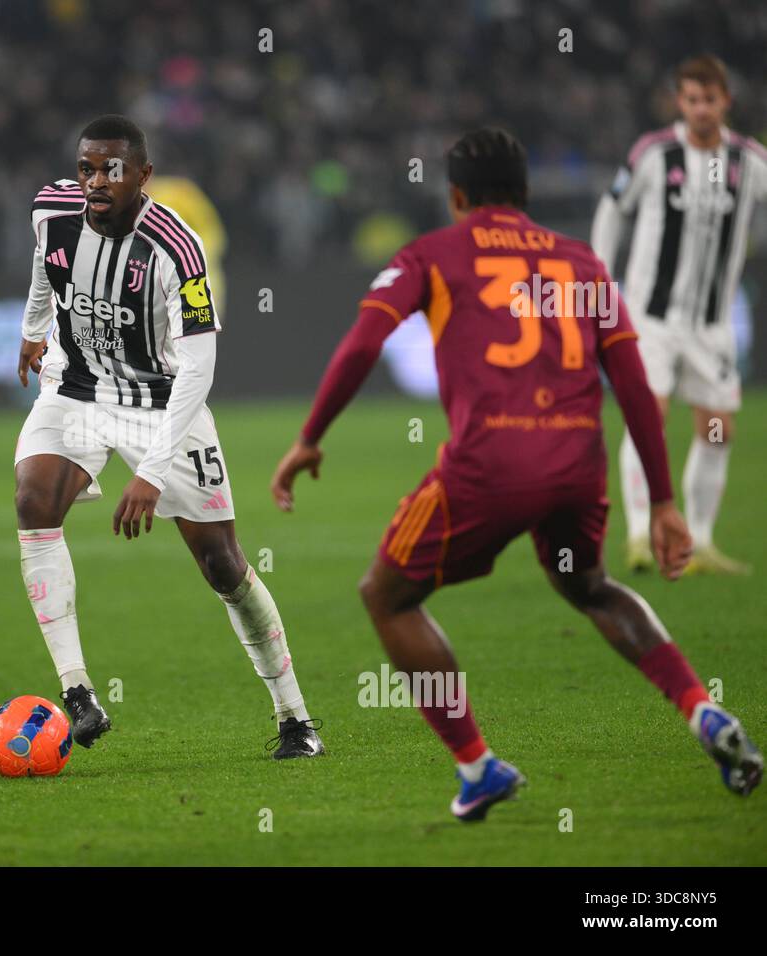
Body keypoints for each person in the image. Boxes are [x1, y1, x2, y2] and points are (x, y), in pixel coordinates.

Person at [272, 128, 762, 820]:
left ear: (456, 195)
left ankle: (477, 766)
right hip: (575, 463)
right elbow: (630, 380)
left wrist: (309, 438)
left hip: (489, 465)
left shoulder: (432, 254)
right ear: (527, 194)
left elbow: (364, 340)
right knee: (591, 586)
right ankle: (701, 708)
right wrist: (663, 502)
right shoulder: (583, 262)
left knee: (387, 596)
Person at [14, 114, 324, 758]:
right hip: (77, 388)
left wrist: (152, 472)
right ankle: (78, 693)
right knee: (32, 500)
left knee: (223, 566)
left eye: (112, 169)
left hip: (162, 403)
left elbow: (200, 369)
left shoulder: (177, 250)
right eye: (87, 168)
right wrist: (33, 327)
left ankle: (296, 719)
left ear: (143, 176)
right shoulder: (52, 212)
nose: (96, 181)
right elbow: (46, 268)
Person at [591, 54, 767, 574]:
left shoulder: (750, 163)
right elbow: (612, 209)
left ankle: (701, 540)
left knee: (717, 429)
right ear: (680, 102)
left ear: (725, 102)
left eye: (709, 100)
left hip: (711, 326)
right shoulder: (654, 154)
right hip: (652, 321)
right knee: (652, 417)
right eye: (691, 100)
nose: (700, 110)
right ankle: (642, 535)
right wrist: (601, 276)